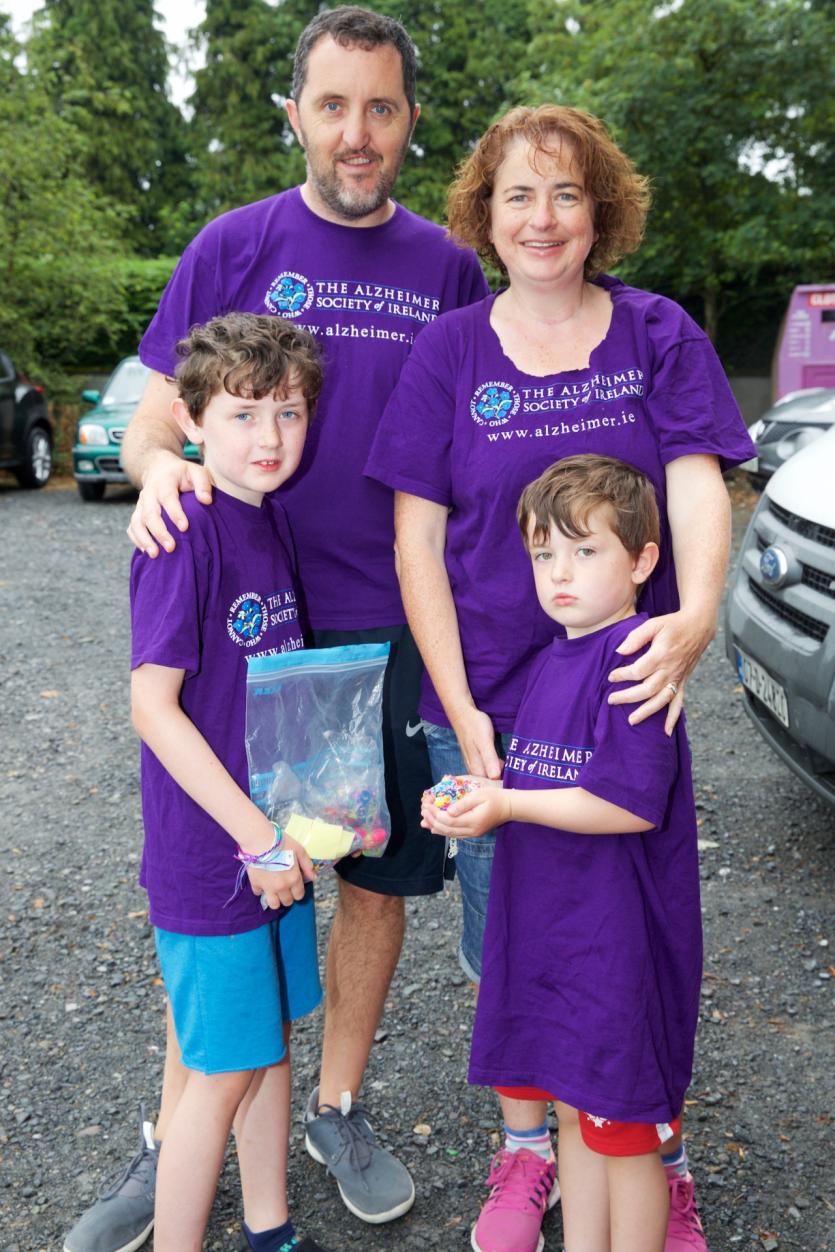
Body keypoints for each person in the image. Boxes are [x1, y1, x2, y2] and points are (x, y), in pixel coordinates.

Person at [64, 8, 488, 1251]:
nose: (357, 132)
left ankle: (334, 1110)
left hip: (390, 626)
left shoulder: (448, 269)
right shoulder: (233, 243)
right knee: (224, 885)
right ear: (294, 111)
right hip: (250, 633)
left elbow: (475, 449)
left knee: (369, 878)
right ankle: (178, 1129)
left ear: (409, 122)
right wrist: (155, 469)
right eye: (333, 104)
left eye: (382, 108)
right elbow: (157, 416)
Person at [365, 104, 756, 1251]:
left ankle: (652, 1154)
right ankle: (529, 1150)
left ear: (600, 211)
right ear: (484, 215)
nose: (542, 218)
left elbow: (695, 482)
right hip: (489, 703)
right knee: (518, 944)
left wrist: (694, 616)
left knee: (631, 944)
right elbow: (415, 545)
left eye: (566, 193)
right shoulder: (449, 352)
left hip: (621, 693)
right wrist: (461, 710)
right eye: (517, 195)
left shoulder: (656, 332)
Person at [82, 313, 326, 1252]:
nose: (269, 437)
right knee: (220, 1074)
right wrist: (257, 840)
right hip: (214, 859)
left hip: (276, 845)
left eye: (289, 413)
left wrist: (307, 821)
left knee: (265, 1045)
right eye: (242, 414)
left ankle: (269, 1227)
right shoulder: (182, 531)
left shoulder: (271, 519)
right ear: (189, 421)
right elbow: (153, 708)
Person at [422, 454, 701, 1252]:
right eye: (544, 554)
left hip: (616, 951)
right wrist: (475, 798)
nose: (560, 573)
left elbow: (626, 803)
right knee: (575, 1113)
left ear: (642, 561)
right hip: (557, 939)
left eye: (585, 551)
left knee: (623, 1133)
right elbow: (544, 780)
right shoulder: (553, 657)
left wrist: (508, 804)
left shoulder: (636, 660)